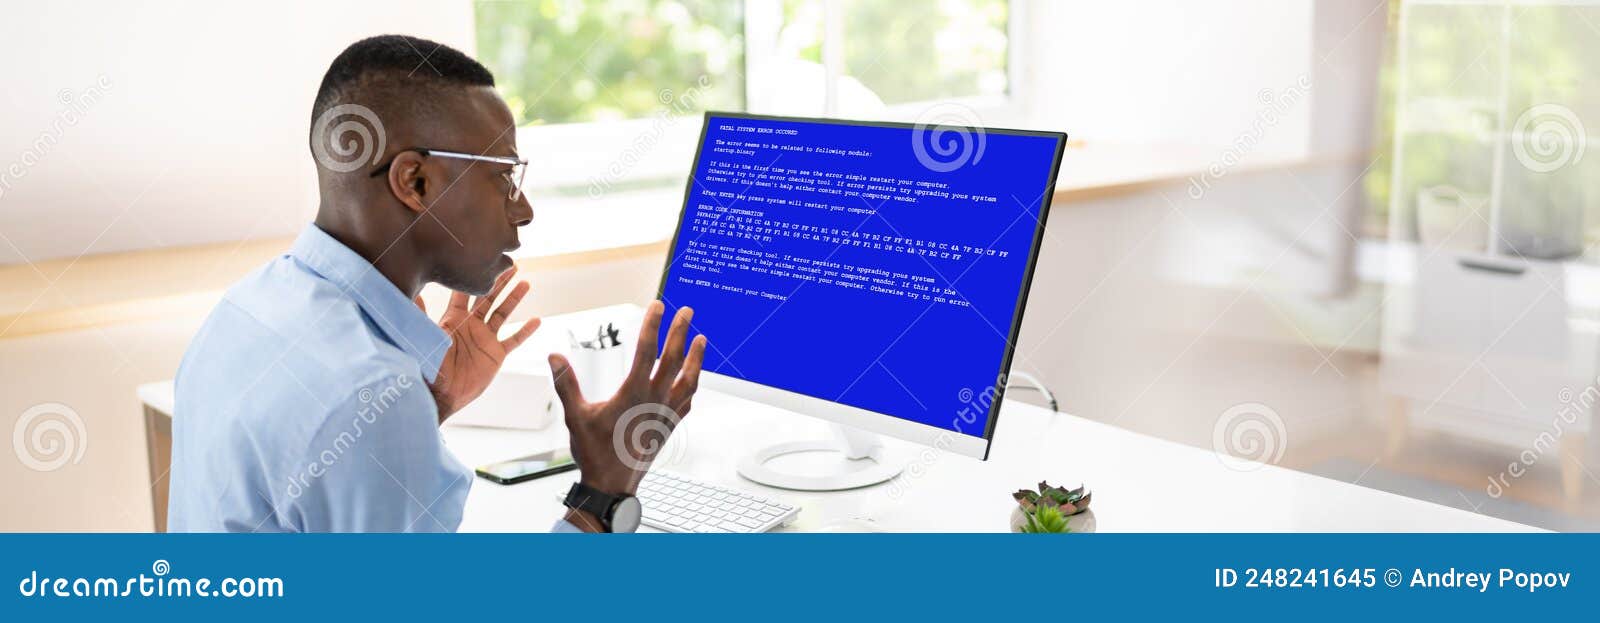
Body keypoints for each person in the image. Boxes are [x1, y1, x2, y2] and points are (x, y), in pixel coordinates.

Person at [166, 34, 704, 533]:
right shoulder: (368, 393)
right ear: (415, 181)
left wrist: (429, 409)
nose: (524, 209)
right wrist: (604, 489)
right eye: (504, 176)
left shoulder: (246, 307)